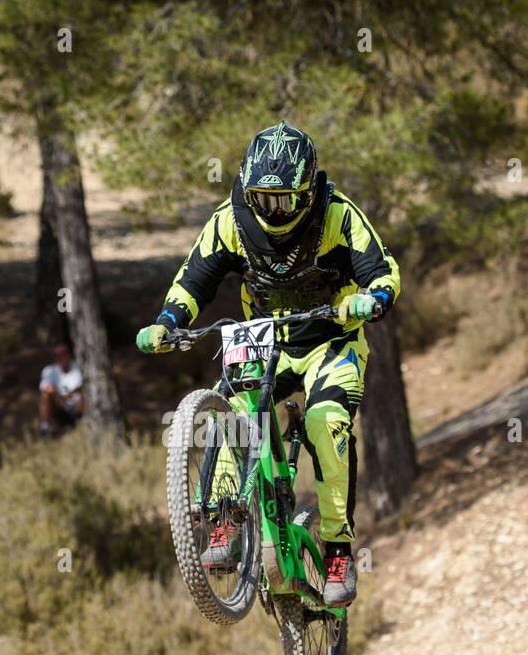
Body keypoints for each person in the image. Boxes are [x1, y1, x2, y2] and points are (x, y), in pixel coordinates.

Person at [135, 121, 400, 607]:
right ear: (247, 189)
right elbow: (194, 279)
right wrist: (168, 321)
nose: (274, 210)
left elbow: (381, 270)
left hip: (332, 342)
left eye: (285, 200)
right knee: (231, 416)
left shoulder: (337, 214)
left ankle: (338, 546)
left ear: (308, 192)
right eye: (263, 198)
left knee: (326, 422)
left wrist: (373, 299)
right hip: (265, 342)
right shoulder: (230, 220)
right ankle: (225, 520)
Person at [38, 342, 85, 438]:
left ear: (69, 354)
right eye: (57, 355)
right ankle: (45, 428)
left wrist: (69, 395)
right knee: (45, 396)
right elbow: (45, 387)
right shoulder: (49, 370)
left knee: (84, 396)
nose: (61, 357)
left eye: (63, 354)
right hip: (60, 407)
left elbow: (83, 386)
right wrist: (57, 394)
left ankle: (82, 423)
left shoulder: (79, 366)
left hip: (78, 406)